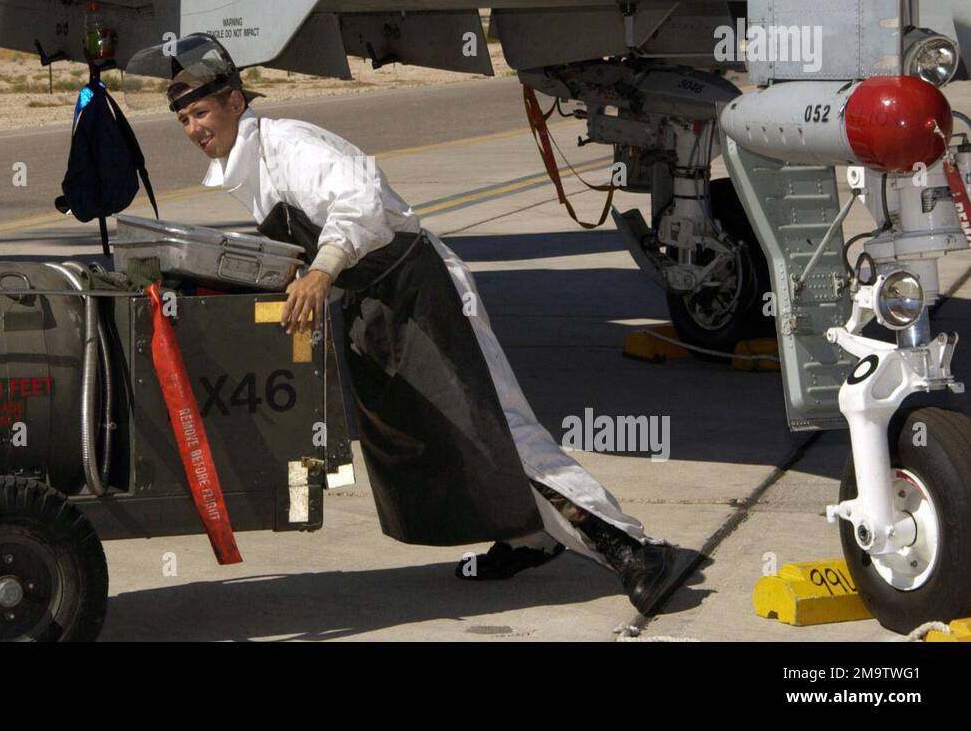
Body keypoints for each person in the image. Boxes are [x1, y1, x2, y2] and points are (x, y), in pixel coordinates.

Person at [165, 38, 674, 613]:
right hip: (374, 305)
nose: (193, 128)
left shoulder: (289, 144)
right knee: (435, 440)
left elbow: (358, 203)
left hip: (421, 288)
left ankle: (632, 547)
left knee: (495, 424)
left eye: (201, 113)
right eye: (183, 118)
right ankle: (529, 538)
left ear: (235, 102)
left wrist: (322, 271)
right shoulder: (246, 168)